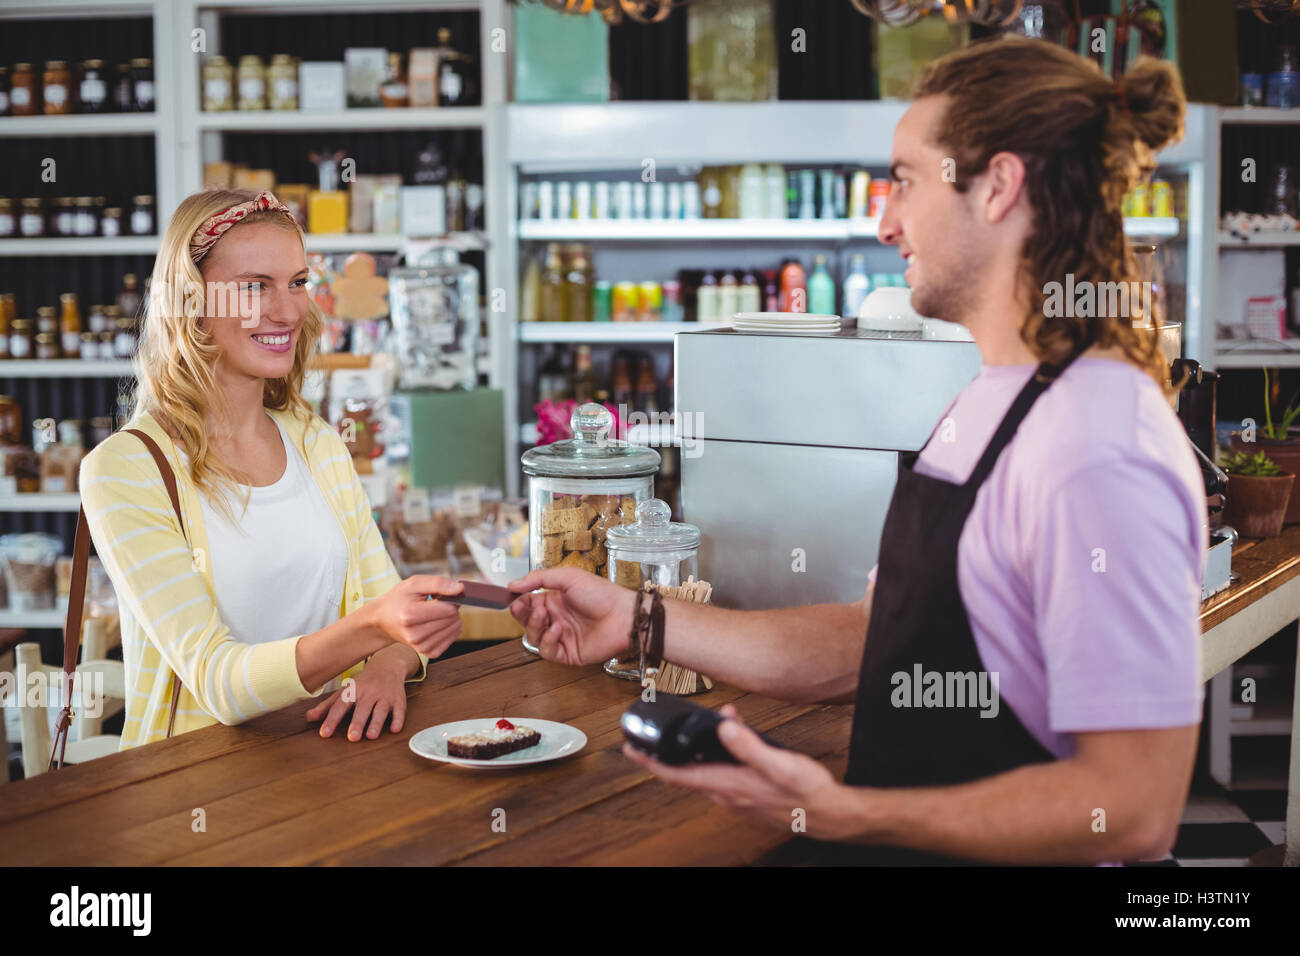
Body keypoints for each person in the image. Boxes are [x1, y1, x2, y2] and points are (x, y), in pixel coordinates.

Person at [507, 38, 1205, 865]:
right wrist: (640, 620)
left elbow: (1131, 807)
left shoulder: (1098, 444)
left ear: (999, 187)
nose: (884, 222)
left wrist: (848, 815)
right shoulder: (991, 398)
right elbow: (869, 639)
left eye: (905, 181)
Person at [80, 188, 464, 750]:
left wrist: (386, 667)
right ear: (190, 302)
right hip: (190, 792)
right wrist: (375, 629)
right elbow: (219, 684)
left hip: (327, 765)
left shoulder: (316, 443)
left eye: (297, 283)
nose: (287, 311)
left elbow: (391, 617)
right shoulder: (125, 470)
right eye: (254, 287)